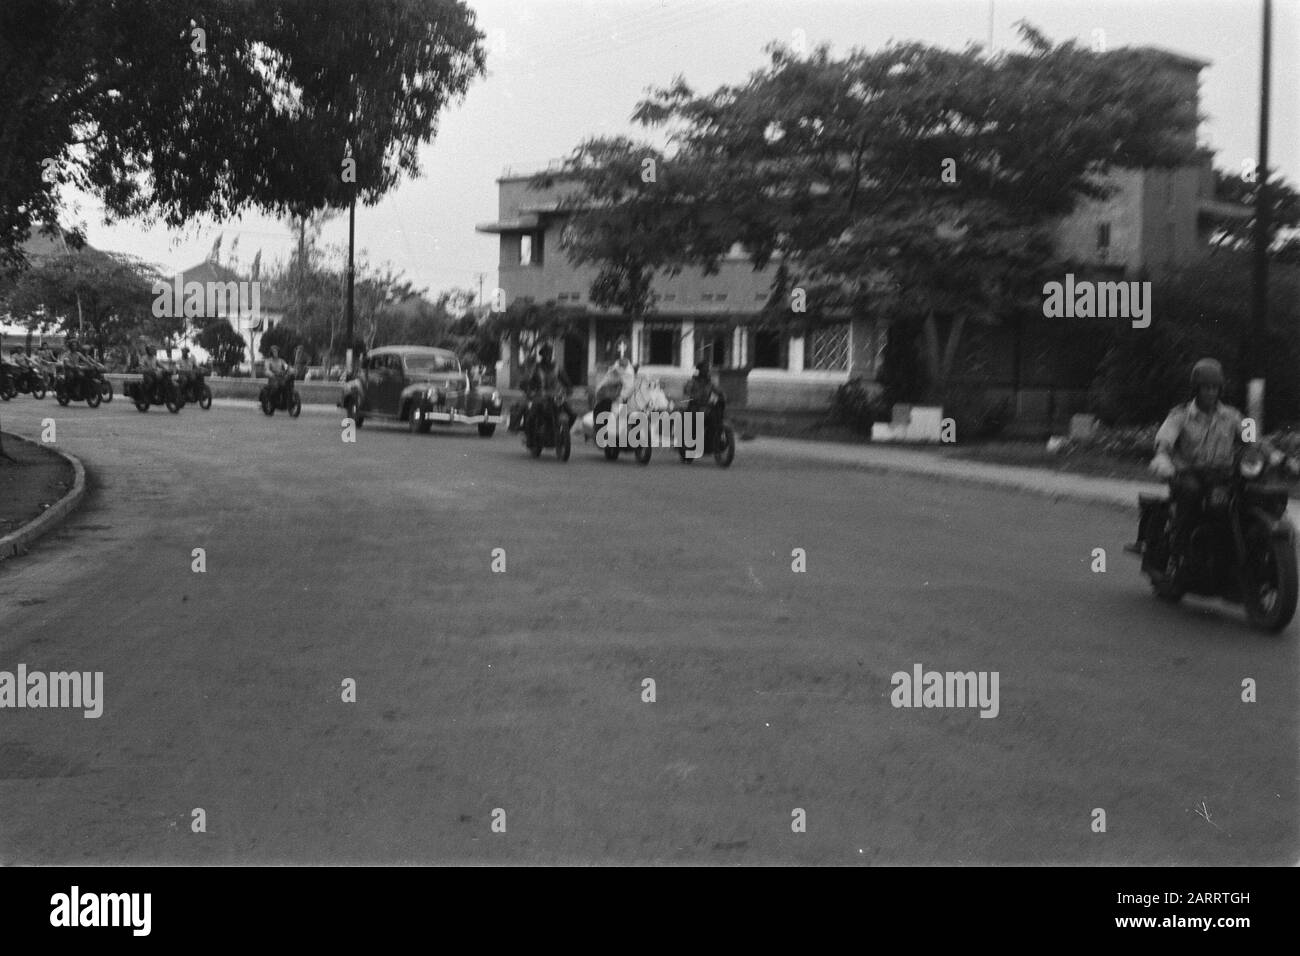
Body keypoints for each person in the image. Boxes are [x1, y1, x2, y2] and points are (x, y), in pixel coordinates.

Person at [1150, 358, 1257, 550]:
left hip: (1222, 475)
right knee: (1191, 492)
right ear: (1196, 389)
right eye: (1206, 387)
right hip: (1189, 473)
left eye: (1215, 388)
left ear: (1220, 390)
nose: (1211, 392)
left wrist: (1280, 458)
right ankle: (1178, 542)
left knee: (1245, 498)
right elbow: (1164, 442)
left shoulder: (1232, 415)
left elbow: (1254, 440)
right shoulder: (1180, 415)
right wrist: (1163, 459)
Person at [523, 342, 573, 436]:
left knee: (572, 413)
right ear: (542, 355)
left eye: (550, 353)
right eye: (546, 353)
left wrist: (569, 388)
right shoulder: (536, 367)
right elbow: (528, 381)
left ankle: (564, 434)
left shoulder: (557, 367)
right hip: (540, 397)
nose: (549, 356)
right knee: (532, 416)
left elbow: (565, 380)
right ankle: (531, 437)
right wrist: (529, 390)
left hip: (556, 396)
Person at [684, 358, 726, 444]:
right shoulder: (692, 381)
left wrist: (722, 396)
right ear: (699, 370)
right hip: (695, 407)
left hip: (707, 407)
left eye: (707, 368)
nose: (707, 370)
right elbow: (686, 392)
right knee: (696, 422)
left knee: (716, 419)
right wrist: (694, 397)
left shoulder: (709, 382)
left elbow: (718, 390)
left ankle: (715, 439)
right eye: (705, 368)